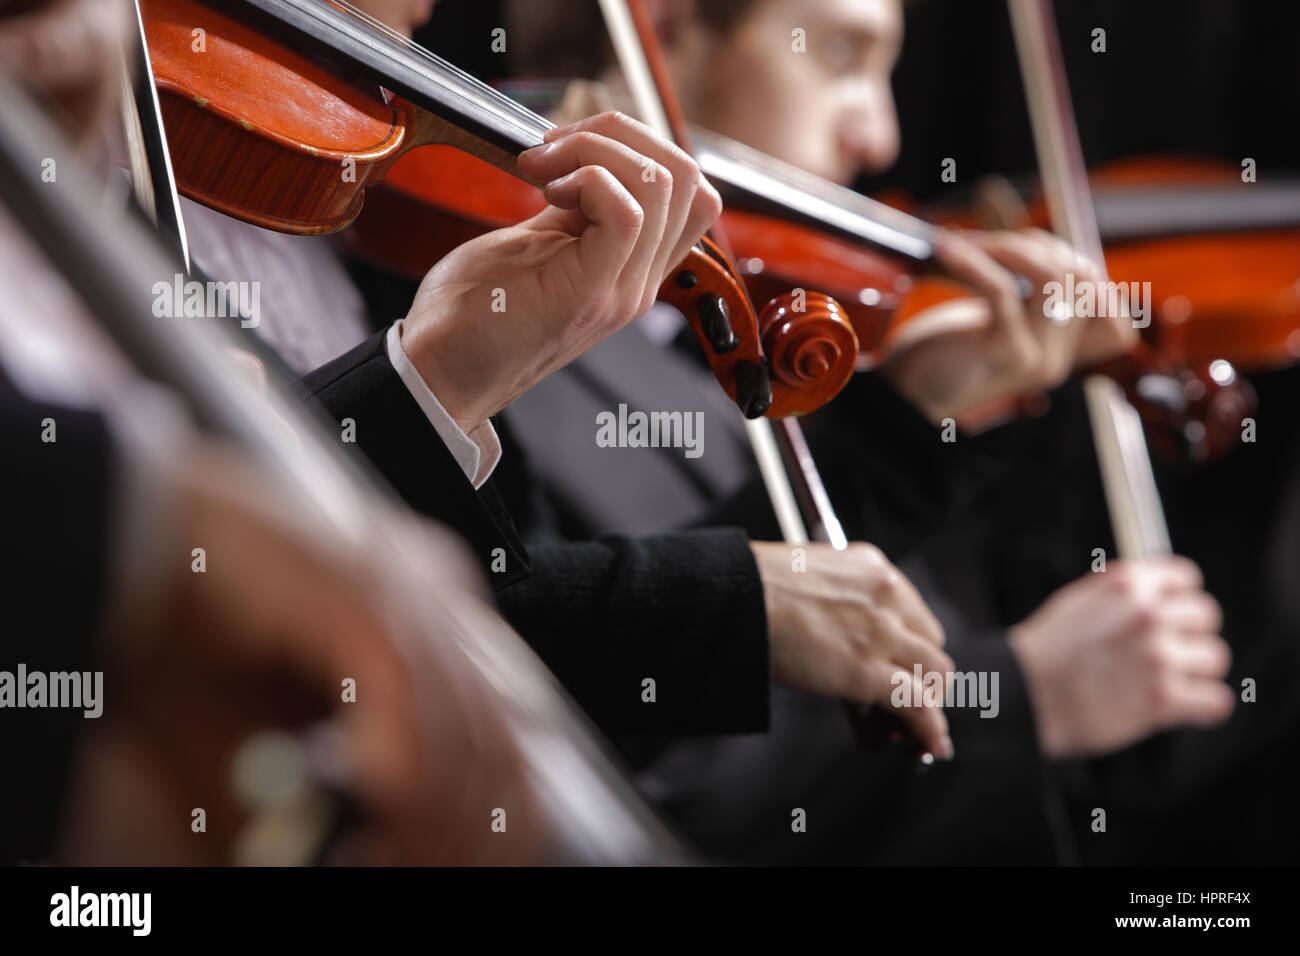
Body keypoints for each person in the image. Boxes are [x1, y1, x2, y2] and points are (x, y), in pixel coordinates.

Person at [497, 0, 1238, 862]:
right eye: (838, 53)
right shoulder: (506, 360)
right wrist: (1019, 695)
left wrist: (918, 423)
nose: (880, 135)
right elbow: (633, 789)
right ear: (663, 30)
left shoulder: (785, 345)